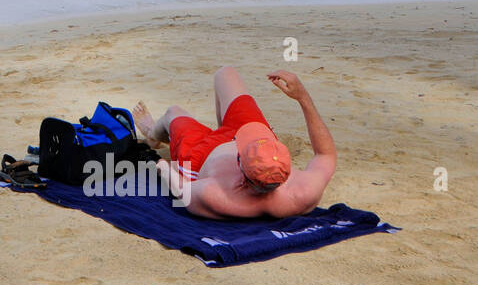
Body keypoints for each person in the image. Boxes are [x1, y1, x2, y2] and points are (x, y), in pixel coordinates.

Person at [132, 67, 337, 219]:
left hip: (201, 154)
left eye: (243, 145)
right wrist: (302, 97)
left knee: (173, 112)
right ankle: (234, 129)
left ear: (240, 165)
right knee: (225, 74)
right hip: (250, 128)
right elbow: (325, 155)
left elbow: (183, 192)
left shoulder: (219, 196)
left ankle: (151, 135)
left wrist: (164, 169)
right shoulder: (304, 191)